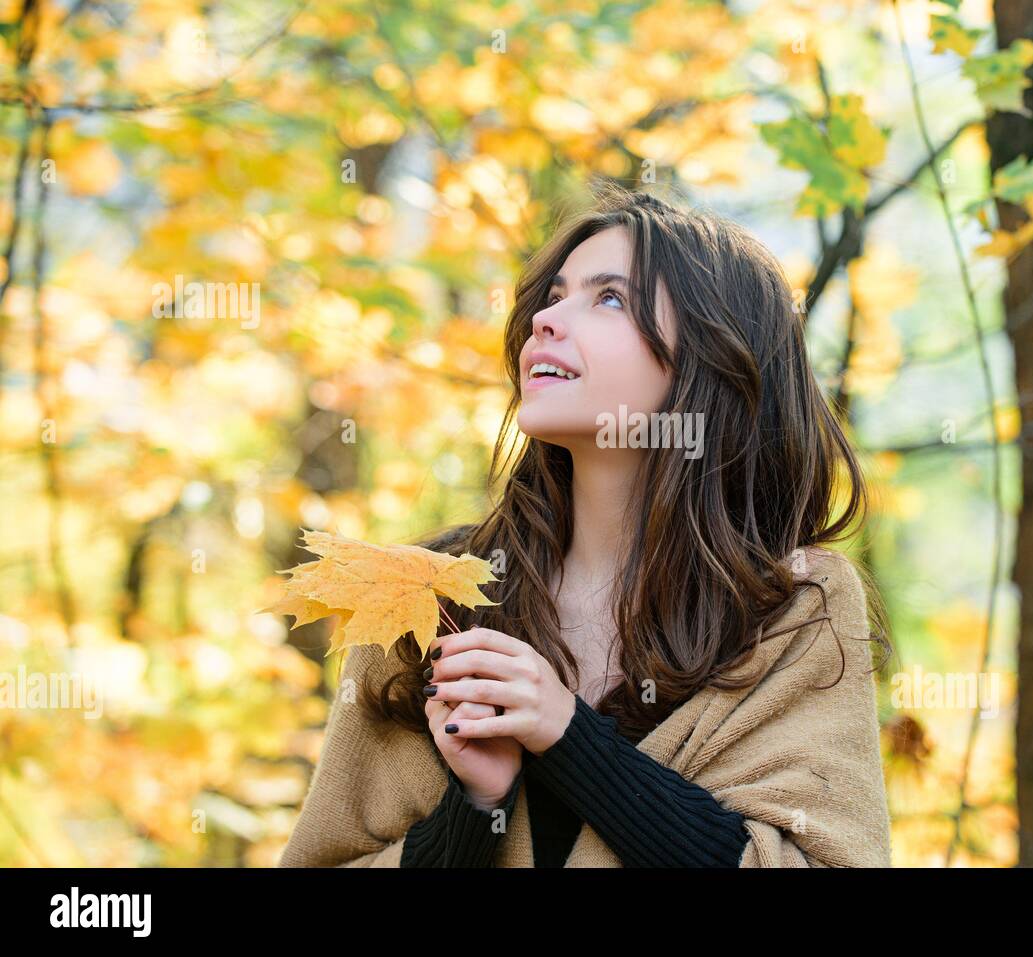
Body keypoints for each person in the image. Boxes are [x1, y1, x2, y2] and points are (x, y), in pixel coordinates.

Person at [278, 185, 893, 868]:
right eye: (556, 294)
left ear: (711, 360)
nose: (547, 318)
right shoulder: (428, 599)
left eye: (608, 298)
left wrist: (567, 737)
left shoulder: (794, 605)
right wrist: (474, 811)